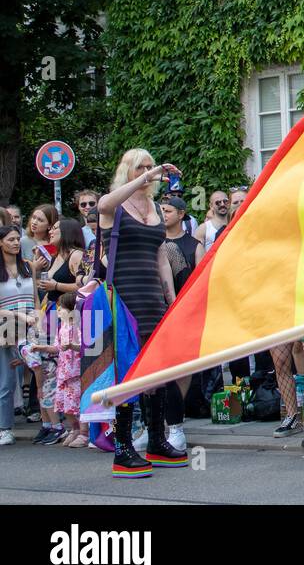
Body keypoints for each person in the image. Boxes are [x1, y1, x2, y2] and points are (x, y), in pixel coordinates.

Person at [96, 149, 190, 476]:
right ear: (129, 170)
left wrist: (172, 298)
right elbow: (102, 205)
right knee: (128, 372)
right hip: (123, 297)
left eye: (151, 167)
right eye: (141, 167)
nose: (149, 172)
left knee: (155, 370)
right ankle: (122, 449)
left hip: (152, 298)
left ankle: (156, 440)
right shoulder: (116, 205)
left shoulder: (153, 208)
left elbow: (161, 256)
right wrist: (143, 179)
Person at [31, 219, 87, 445]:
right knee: (55, 370)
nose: (51, 231)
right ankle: (69, 424)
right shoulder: (55, 257)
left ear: (67, 232)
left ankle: (82, 427)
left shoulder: (76, 255)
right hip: (52, 312)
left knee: (71, 370)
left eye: (55, 228)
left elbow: (83, 286)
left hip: (71, 314)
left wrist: (56, 287)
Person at [1, 224, 39, 446]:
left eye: (17, 239)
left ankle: (49, 423)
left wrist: (38, 321)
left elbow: (35, 298)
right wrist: (19, 317)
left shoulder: (27, 266)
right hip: (5, 328)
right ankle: (5, 427)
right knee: (7, 382)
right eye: (11, 239)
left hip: (30, 327)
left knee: (41, 373)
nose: (16, 243)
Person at [52, 292, 85, 447]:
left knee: (77, 403)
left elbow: (85, 347)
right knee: (65, 404)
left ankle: (84, 433)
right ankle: (74, 428)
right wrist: (41, 348)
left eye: (62, 308)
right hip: (63, 372)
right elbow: (57, 347)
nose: (58, 311)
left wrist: (72, 345)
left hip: (75, 372)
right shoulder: (62, 327)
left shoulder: (78, 327)